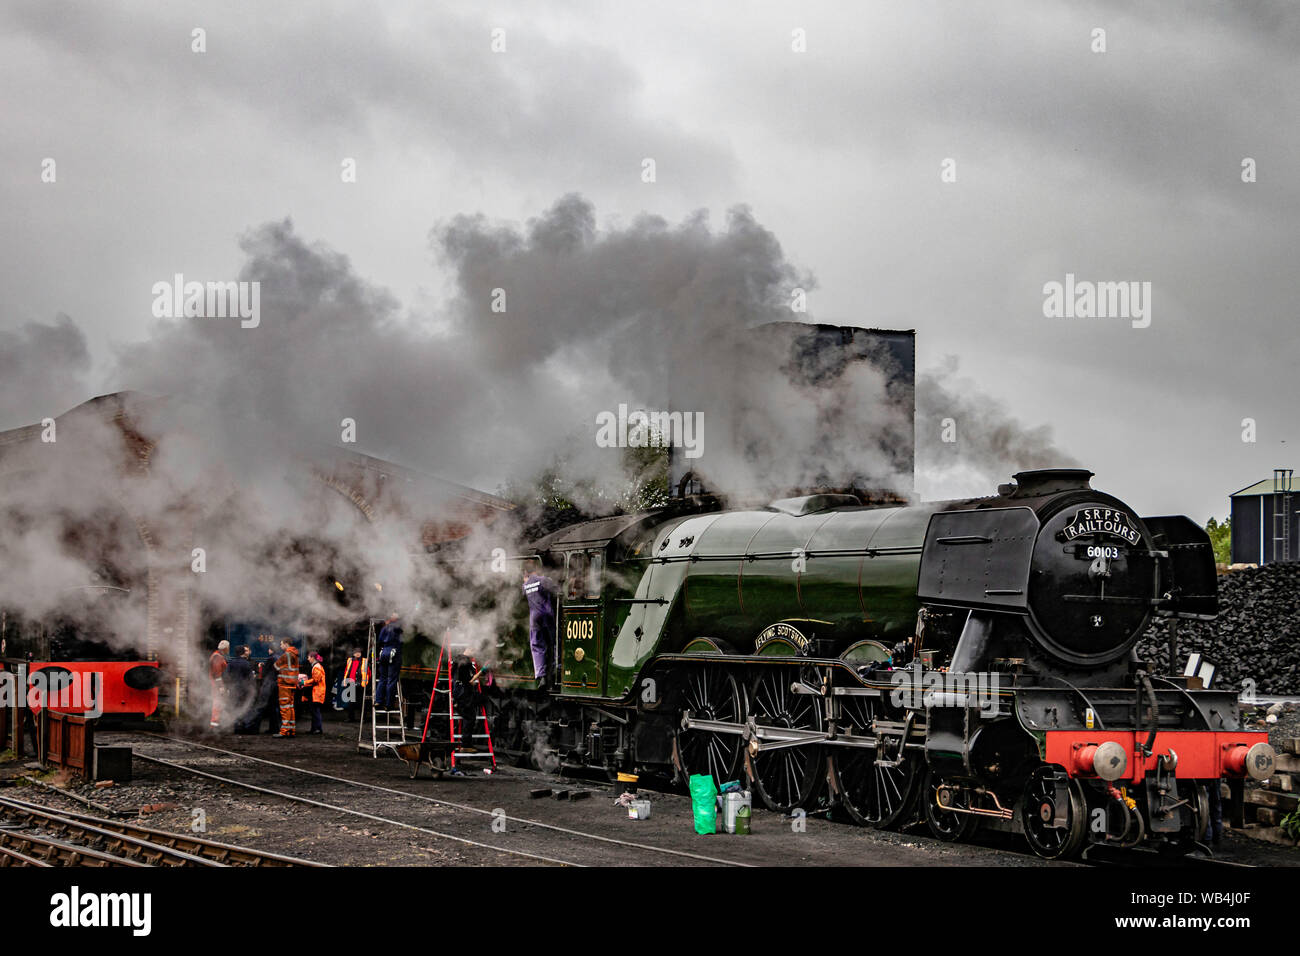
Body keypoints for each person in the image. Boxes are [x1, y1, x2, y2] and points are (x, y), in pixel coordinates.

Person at [521, 560, 557, 682]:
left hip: (534, 617)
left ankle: (540, 675)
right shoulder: (543, 580)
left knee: (536, 645)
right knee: (554, 641)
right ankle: (557, 668)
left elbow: (522, 596)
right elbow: (557, 591)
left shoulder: (525, 585)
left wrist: (525, 581)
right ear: (537, 568)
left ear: (526, 571)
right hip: (547, 614)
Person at [225, 645, 254, 730]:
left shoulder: (231, 663)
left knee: (234, 707)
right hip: (243, 689)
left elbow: (226, 676)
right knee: (243, 707)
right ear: (243, 653)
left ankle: (236, 726)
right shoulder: (246, 663)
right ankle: (243, 726)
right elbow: (250, 678)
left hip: (233, 688)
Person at [274, 639, 299, 737]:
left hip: (284, 684)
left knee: (284, 708)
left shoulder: (286, 655)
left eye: (281, 644)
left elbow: (275, 666)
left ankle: (284, 731)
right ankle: (291, 730)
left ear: (286, 644)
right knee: (290, 707)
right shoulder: (295, 655)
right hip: (292, 684)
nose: (280, 646)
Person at [303, 652, 327, 734]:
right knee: (314, 711)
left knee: (315, 711)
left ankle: (318, 729)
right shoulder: (316, 666)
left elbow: (315, 680)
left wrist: (304, 682)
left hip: (317, 692)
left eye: (309, 657)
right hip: (316, 692)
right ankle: (314, 729)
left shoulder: (316, 667)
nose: (308, 659)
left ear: (313, 657)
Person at [208, 640, 229, 731]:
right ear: (225, 648)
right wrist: (220, 686)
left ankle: (216, 723)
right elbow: (217, 673)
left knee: (218, 703)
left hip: (215, 682)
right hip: (216, 683)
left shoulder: (216, 655)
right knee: (217, 703)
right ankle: (214, 724)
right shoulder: (218, 657)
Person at [341, 648, 365, 722]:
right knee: (351, 702)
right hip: (351, 683)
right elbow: (346, 671)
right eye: (356, 652)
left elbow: (368, 673)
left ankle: (362, 718)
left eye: (359, 652)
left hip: (361, 684)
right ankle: (351, 718)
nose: (357, 654)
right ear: (353, 654)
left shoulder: (364, 661)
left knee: (361, 702)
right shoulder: (350, 661)